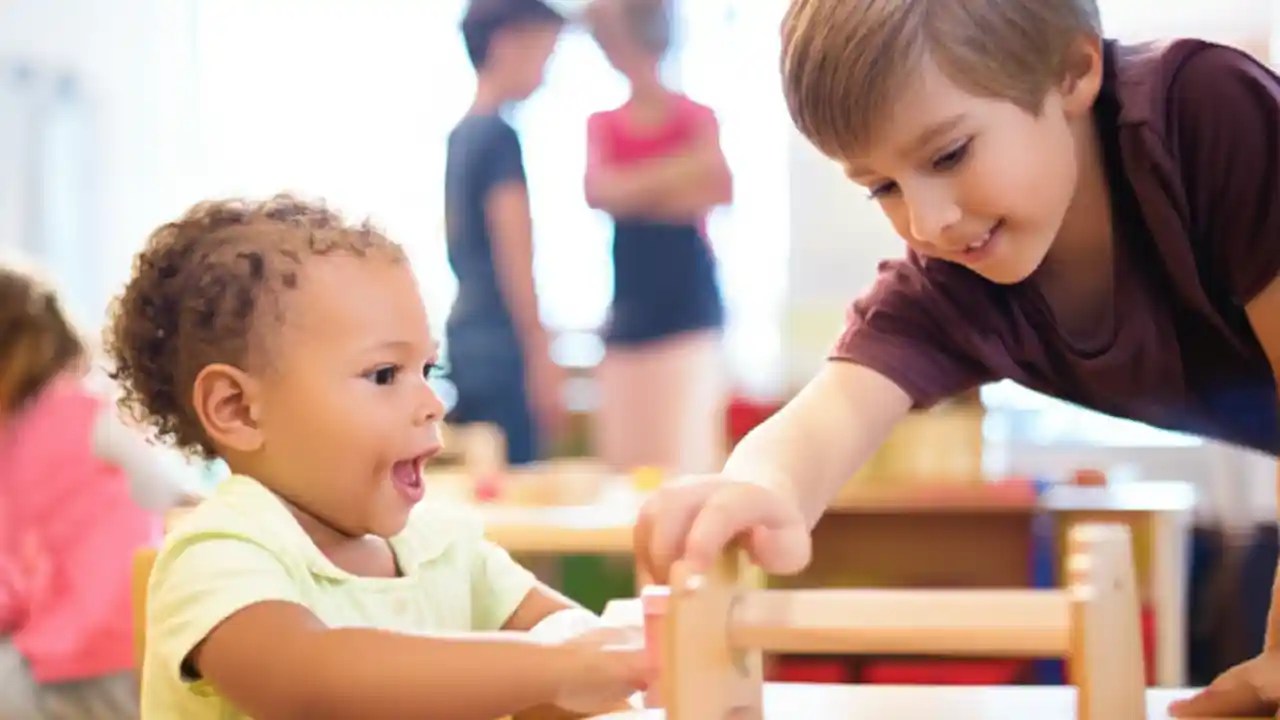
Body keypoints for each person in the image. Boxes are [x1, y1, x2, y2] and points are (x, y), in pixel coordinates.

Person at [631, 0, 1280, 716]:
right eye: (882, 186)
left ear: (1074, 70)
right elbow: (829, 416)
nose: (926, 221)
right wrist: (756, 489)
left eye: (948, 155)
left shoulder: (1203, 115)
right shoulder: (954, 279)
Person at [108, 195, 649, 718]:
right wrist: (557, 667)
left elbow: (576, 664)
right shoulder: (220, 553)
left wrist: (626, 663)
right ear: (239, 410)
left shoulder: (445, 549)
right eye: (384, 375)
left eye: (428, 371)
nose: (432, 404)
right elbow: (310, 684)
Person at [0, 261, 196, 719]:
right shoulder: (89, 413)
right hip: (126, 651)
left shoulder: (24, 436)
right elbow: (175, 498)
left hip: (76, 665)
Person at [584, 0, 733, 475]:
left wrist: (632, 189)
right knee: (624, 465)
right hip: (629, 311)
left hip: (689, 309)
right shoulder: (603, 123)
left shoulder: (697, 116)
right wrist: (679, 173)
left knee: (690, 460)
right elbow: (598, 192)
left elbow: (717, 187)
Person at [445, 0, 568, 466]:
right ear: (505, 43)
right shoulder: (498, 139)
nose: (545, 71)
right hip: (502, 345)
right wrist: (541, 356)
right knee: (516, 477)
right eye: (543, 53)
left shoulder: (462, 134)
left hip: (467, 338)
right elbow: (515, 256)